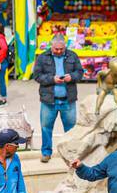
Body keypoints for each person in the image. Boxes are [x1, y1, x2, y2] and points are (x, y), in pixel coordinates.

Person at [32, 35, 85, 163]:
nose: (59, 51)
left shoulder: (72, 56)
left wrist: (71, 77)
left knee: (71, 129)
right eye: (56, 49)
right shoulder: (42, 57)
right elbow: (37, 76)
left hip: (68, 100)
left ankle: (70, 153)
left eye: (61, 49)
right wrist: (52, 79)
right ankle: (46, 153)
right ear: (52, 46)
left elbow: (80, 72)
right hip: (48, 101)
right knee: (46, 128)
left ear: (65, 46)